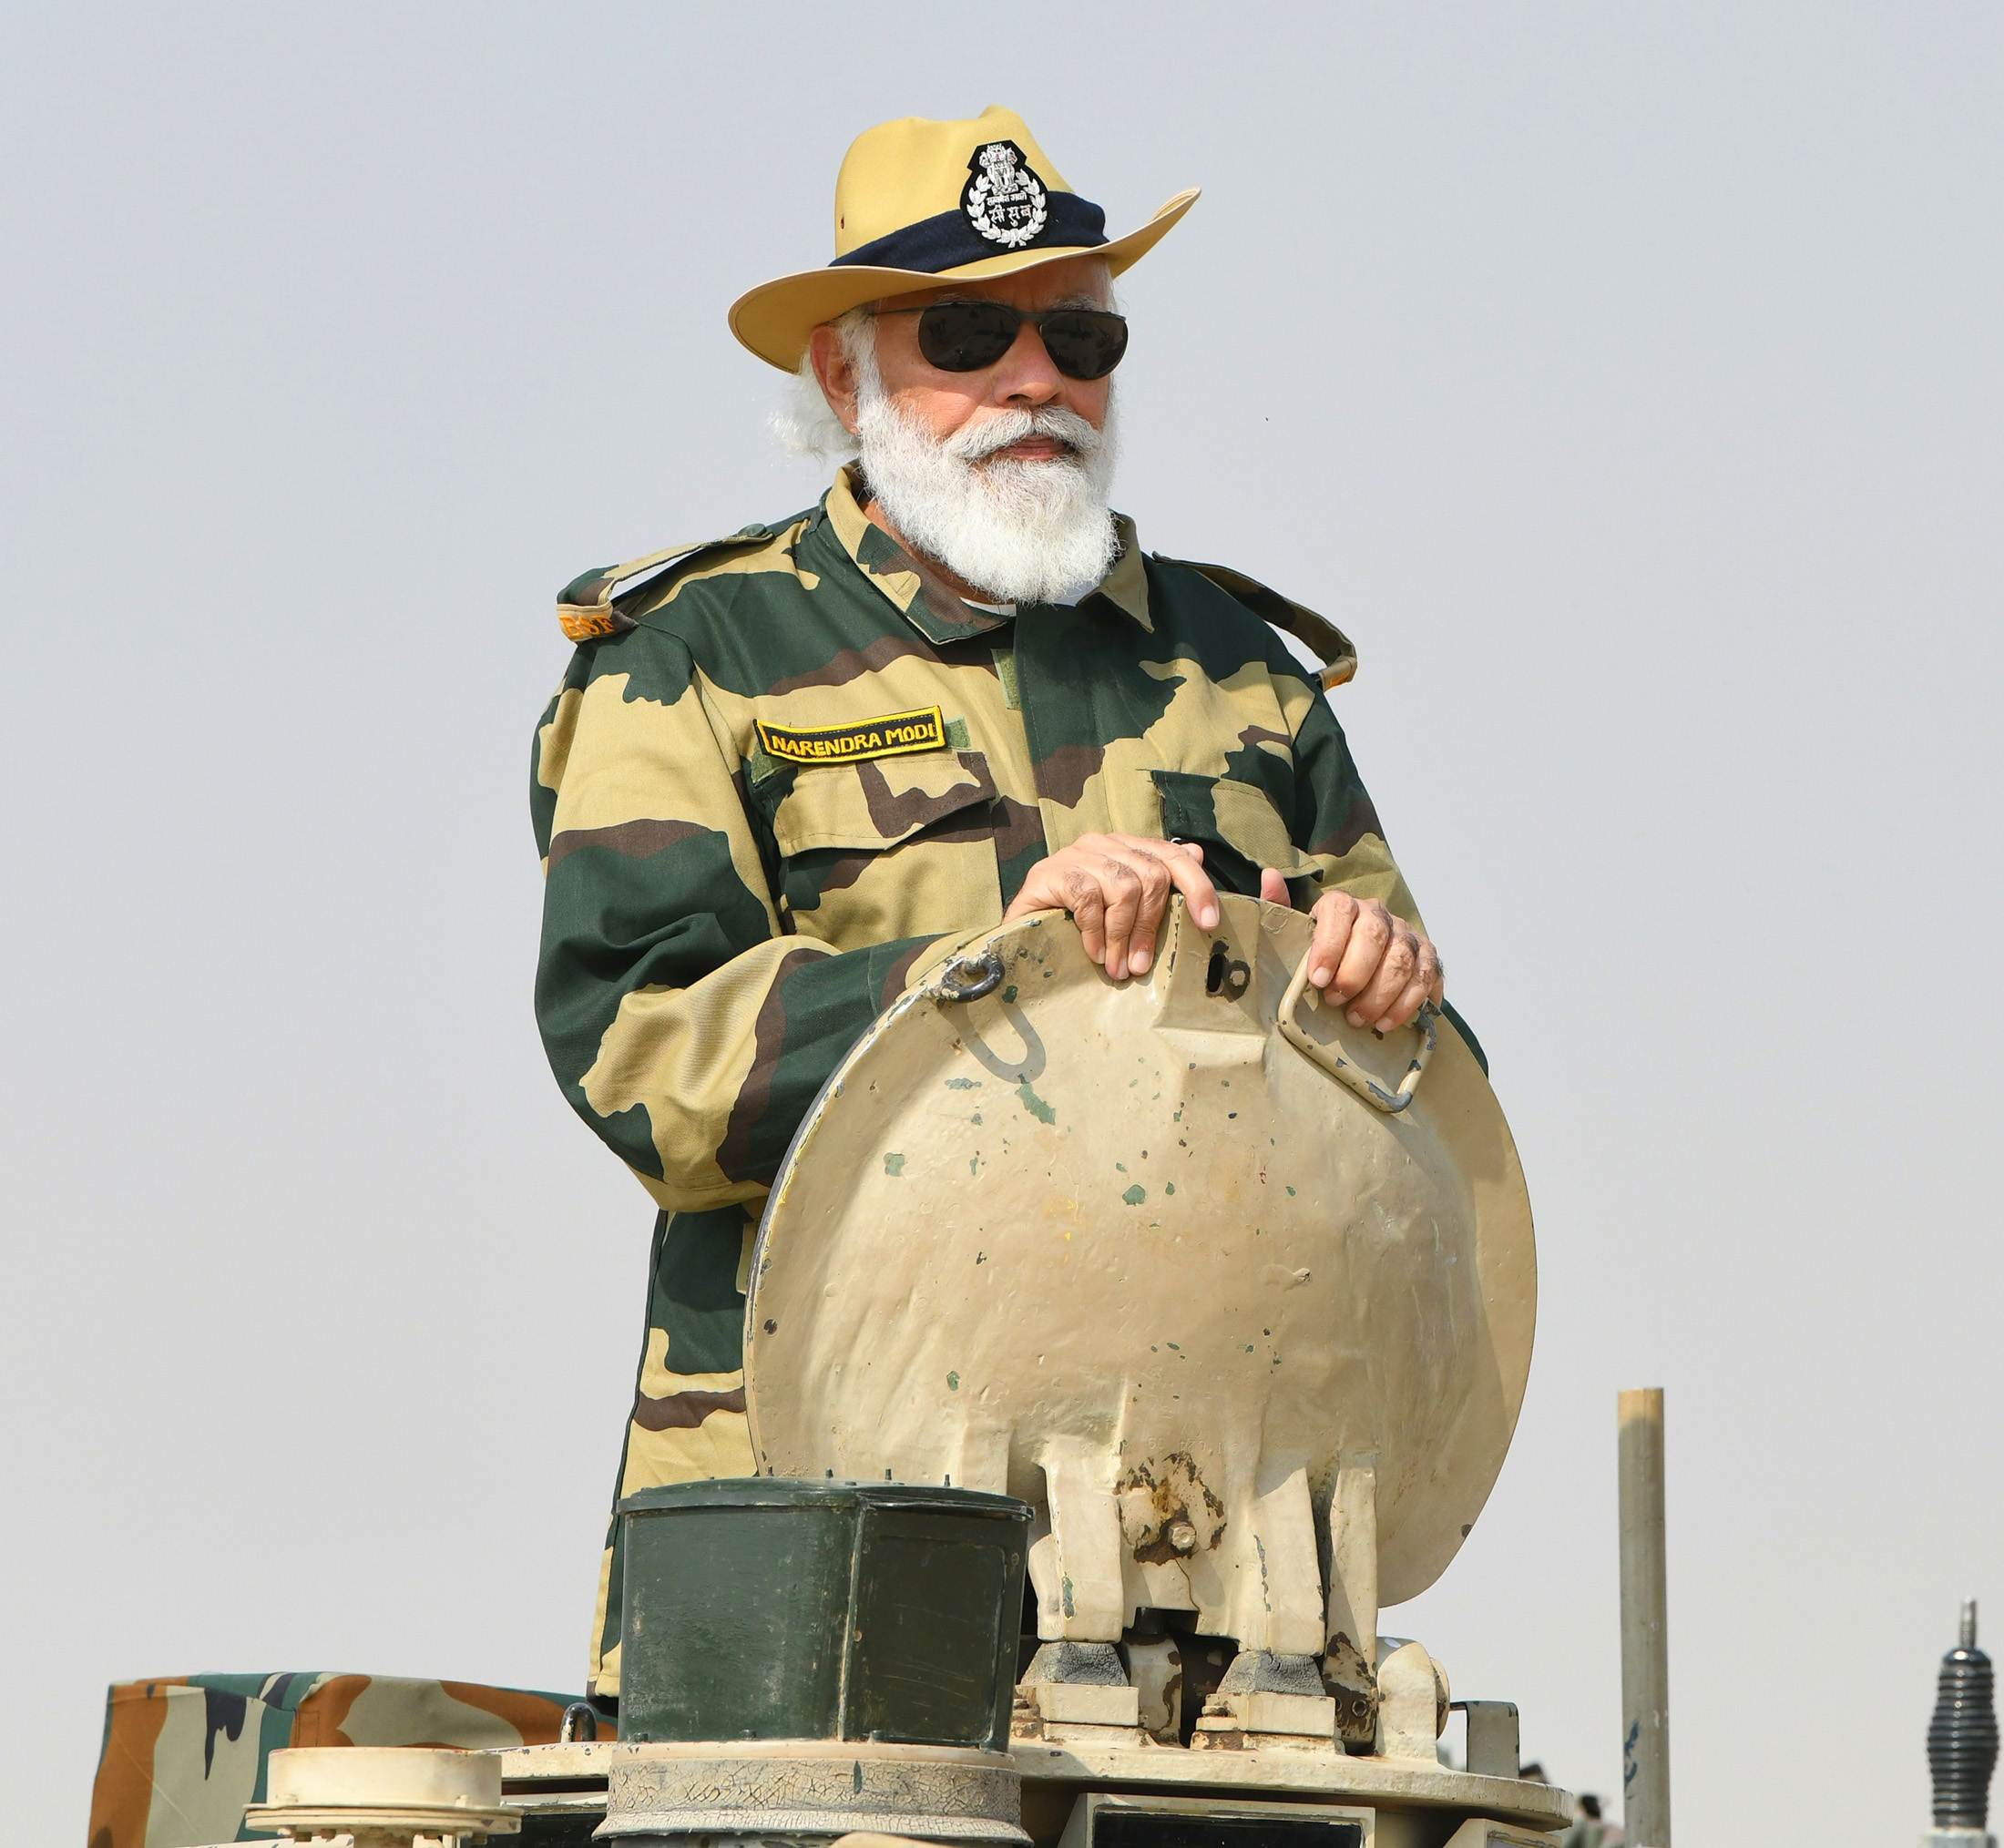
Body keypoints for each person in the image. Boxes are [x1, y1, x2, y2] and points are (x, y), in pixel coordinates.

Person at [532, 106, 1454, 1708]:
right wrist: (981, 976)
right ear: (843, 373)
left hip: (1224, 1608)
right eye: (968, 331)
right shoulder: (695, 659)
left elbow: (1419, 1118)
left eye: (1080, 335)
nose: (1039, 380)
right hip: (809, 1566)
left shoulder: (1239, 670)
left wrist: (1386, 987)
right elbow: (642, 1055)